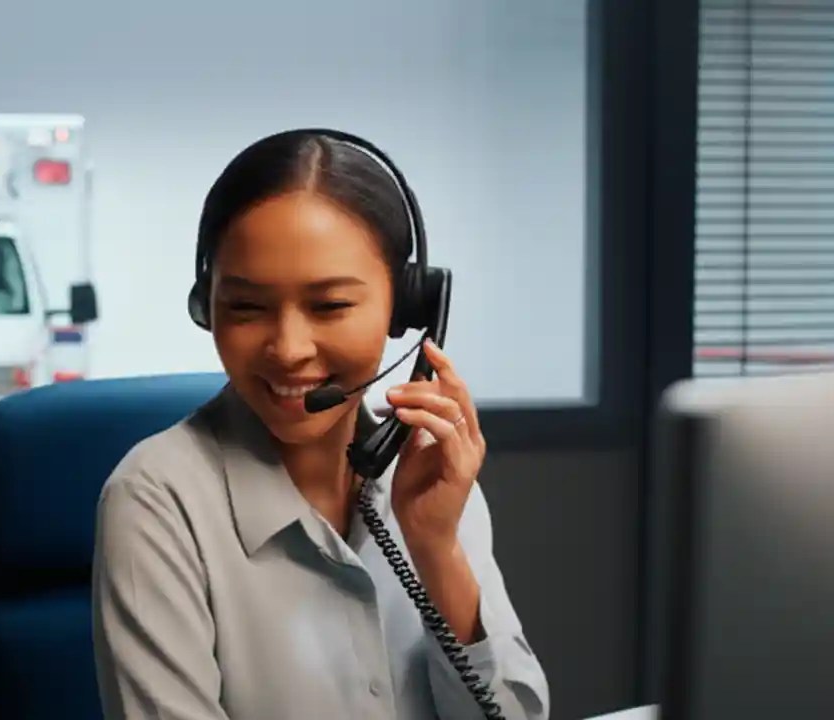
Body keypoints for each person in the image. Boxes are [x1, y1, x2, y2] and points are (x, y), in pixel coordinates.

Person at [91, 130, 549, 719]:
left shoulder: (431, 475)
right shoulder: (155, 502)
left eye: (330, 306)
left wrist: (436, 550)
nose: (288, 349)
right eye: (246, 307)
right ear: (207, 305)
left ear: (407, 310)